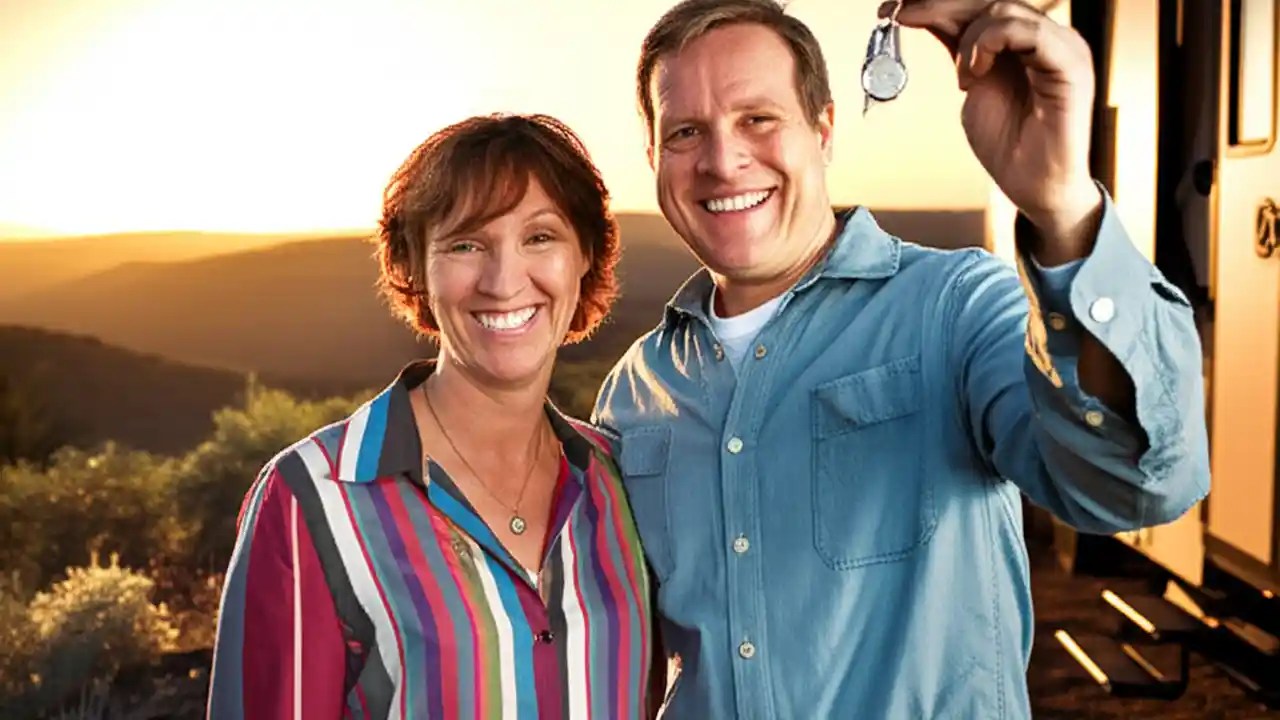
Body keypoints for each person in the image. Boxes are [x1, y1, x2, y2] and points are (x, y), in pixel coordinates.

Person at [590, 0, 1211, 717]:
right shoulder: (634, 391)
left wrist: (1064, 207)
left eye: (758, 119)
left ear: (822, 129)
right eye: (686, 132)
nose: (722, 161)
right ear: (653, 158)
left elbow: (1133, 488)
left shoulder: (954, 308)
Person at [207, 113, 658, 719]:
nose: (504, 281)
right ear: (413, 267)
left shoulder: (620, 484)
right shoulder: (310, 501)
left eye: (540, 237)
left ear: (586, 257)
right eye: (466, 244)